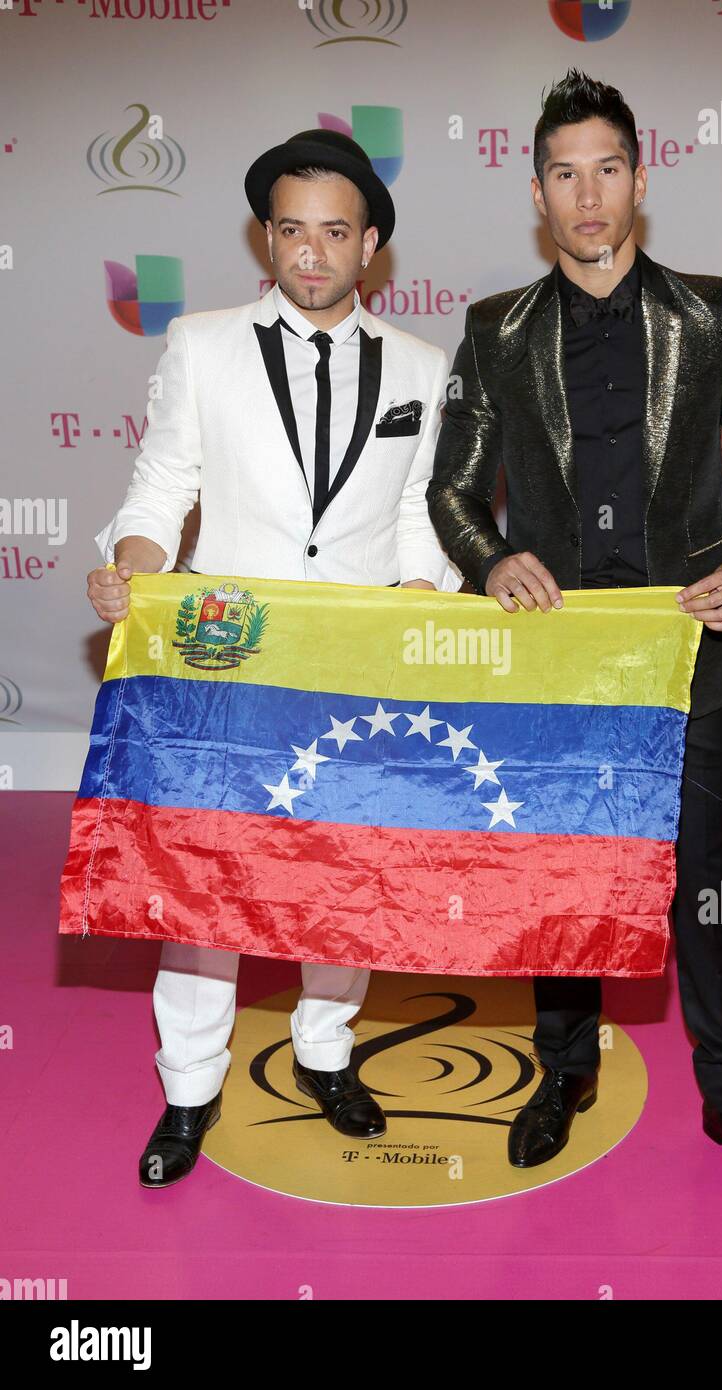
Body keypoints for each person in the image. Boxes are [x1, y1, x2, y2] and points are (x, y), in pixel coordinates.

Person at [427, 71, 722, 1209]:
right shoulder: (494, 330)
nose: (586, 194)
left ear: (640, 181)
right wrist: (491, 559)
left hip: (683, 658)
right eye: (563, 172)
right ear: (537, 192)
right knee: (562, 880)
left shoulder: (712, 313)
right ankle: (562, 1068)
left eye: (607, 168)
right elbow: (453, 490)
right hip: (556, 662)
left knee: (705, 890)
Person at [86, 128, 462, 1189]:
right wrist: (133, 566)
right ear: (266, 237)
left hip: (353, 664)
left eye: (333, 232)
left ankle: (328, 1050)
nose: (309, 253)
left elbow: (423, 522)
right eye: (289, 230)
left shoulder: (425, 369)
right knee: (207, 879)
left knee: (345, 872)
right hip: (224, 659)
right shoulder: (201, 345)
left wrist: (423, 604)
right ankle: (190, 1085)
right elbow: (164, 482)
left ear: (371, 244)